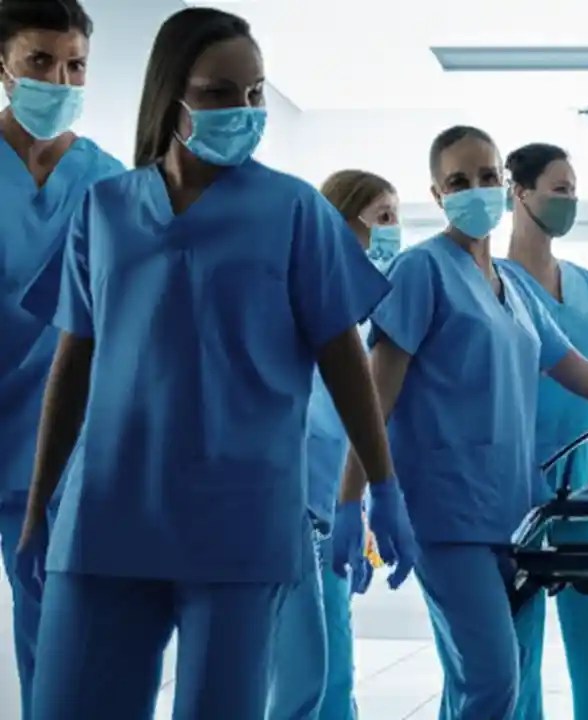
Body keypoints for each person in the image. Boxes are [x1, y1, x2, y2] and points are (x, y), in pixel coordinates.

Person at [13, 8, 416, 718]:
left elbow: (345, 358)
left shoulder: (294, 211)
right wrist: (41, 500)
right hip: (106, 512)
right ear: (172, 95)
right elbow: (72, 363)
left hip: (241, 520)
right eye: (221, 93)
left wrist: (381, 484)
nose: (245, 110)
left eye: (254, 93)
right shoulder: (105, 209)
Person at [328, 125, 588, 720]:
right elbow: (375, 395)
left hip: (515, 516)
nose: (476, 190)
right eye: (458, 182)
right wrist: (362, 497)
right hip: (445, 517)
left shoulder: (514, 288)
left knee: (503, 685)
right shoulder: (423, 270)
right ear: (437, 192)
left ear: (504, 184)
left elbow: (576, 369)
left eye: (486, 177)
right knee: (493, 682)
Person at [0, 1, 123, 717]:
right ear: (5, 67)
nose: (60, 78)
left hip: (64, 443)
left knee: (59, 635)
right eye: (40, 61)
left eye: (74, 65)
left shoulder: (108, 182)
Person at [496, 142, 588, 720]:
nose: (570, 200)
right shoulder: (491, 282)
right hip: (517, 483)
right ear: (520, 192)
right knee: (515, 643)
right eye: (560, 189)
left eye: (574, 190)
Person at [267, 169, 400, 720]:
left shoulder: (360, 316)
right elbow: (322, 417)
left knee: (332, 671)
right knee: (308, 677)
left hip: (327, 512)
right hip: (290, 513)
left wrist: (359, 507)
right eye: (384, 218)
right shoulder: (302, 310)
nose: (395, 233)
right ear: (342, 227)